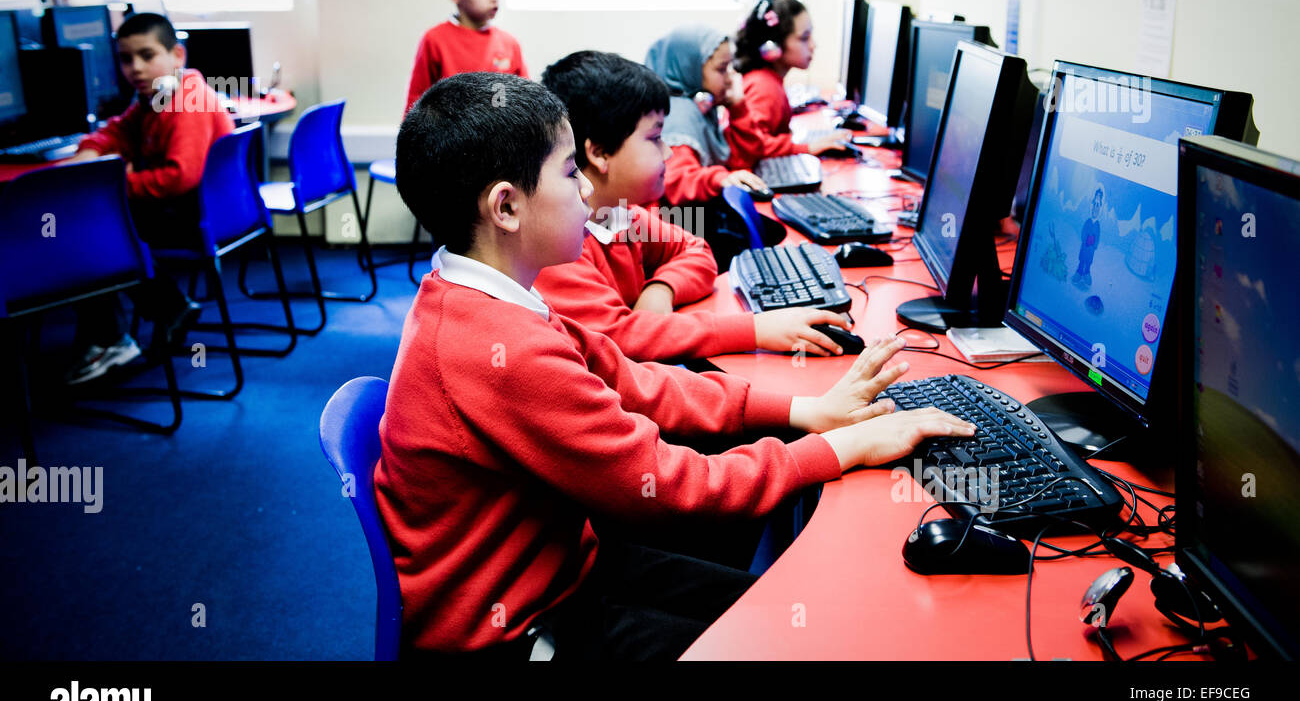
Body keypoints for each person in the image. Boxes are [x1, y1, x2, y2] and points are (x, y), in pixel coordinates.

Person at [379, 71, 973, 659]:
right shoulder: (497, 348)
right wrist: (841, 449)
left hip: (566, 569)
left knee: (785, 617)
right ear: (506, 207)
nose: (587, 191)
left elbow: (638, 382)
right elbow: (664, 483)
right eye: (568, 173)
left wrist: (805, 410)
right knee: (788, 641)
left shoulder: (489, 298)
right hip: (521, 631)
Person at [535, 50, 852, 362]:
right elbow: (618, 339)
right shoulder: (559, 248)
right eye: (655, 138)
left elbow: (695, 249)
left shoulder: (617, 215)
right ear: (601, 153)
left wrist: (663, 287)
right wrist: (755, 330)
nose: (668, 153)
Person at [63, 12, 233, 384]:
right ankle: (167, 308)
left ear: (177, 55)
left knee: (86, 233)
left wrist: (120, 183)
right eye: (126, 59)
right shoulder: (157, 96)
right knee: (93, 226)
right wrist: (92, 149)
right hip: (198, 210)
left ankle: (113, 338)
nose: (135, 68)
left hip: (195, 216)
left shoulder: (187, 102)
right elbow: (119, 131)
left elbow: (179, 177)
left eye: (146, 55)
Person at [644, 25, 766, 205]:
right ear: (689, 68)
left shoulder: (701, 109)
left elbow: (743, 160)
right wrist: (718, 179)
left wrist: (738, 108)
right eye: (722, 69)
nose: (730, 78)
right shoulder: (680, 115)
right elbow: (676, 180)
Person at [729, 0, 850, 168]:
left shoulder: (767, 80)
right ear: (772, 47)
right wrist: (807, 146)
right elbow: (754, 146)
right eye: (804, 37)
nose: (813, 45)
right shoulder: (764, 86)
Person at [403, 0, 528, 113]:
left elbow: (526, 101)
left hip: (499, 137)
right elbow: (416, 102)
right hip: (449, 136)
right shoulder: (434, 40)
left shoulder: (509, 43)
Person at [1074, 185, 1104, 289]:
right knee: (1082, 259)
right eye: (1094, 206)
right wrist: (1084, 240)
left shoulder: (1097, 225)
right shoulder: (1087, 222)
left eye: (1098, 206)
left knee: (1089, 261)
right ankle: (1079, 272)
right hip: (1085, 246)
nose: (1095, 209)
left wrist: (1094, 245)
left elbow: (1098, 237)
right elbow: (1083, 233)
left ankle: (1087, 273)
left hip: (1091, 248)